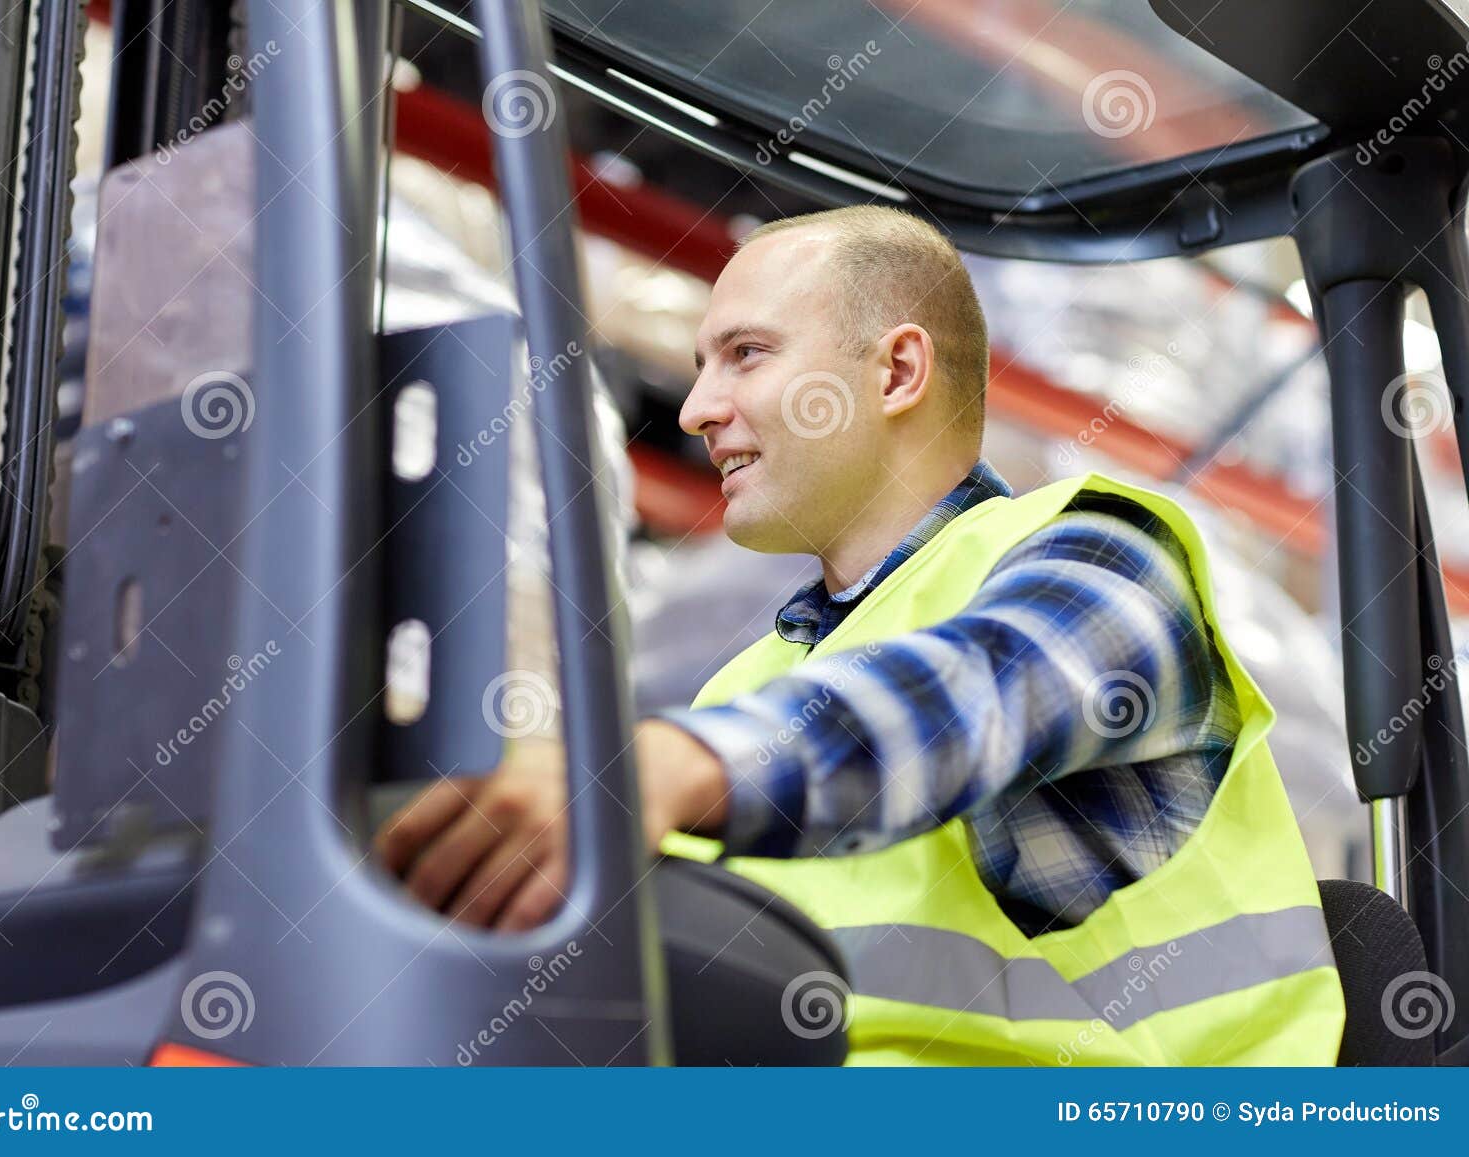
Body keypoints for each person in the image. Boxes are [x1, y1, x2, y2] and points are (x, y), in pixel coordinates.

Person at [375, 205, 1343, 1065]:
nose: (694, 407)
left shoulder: (1104, 558)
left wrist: (668, 766)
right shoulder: (749, 682)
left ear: (896, 370)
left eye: (745, 353)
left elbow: (977, 695)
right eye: (703, 359)